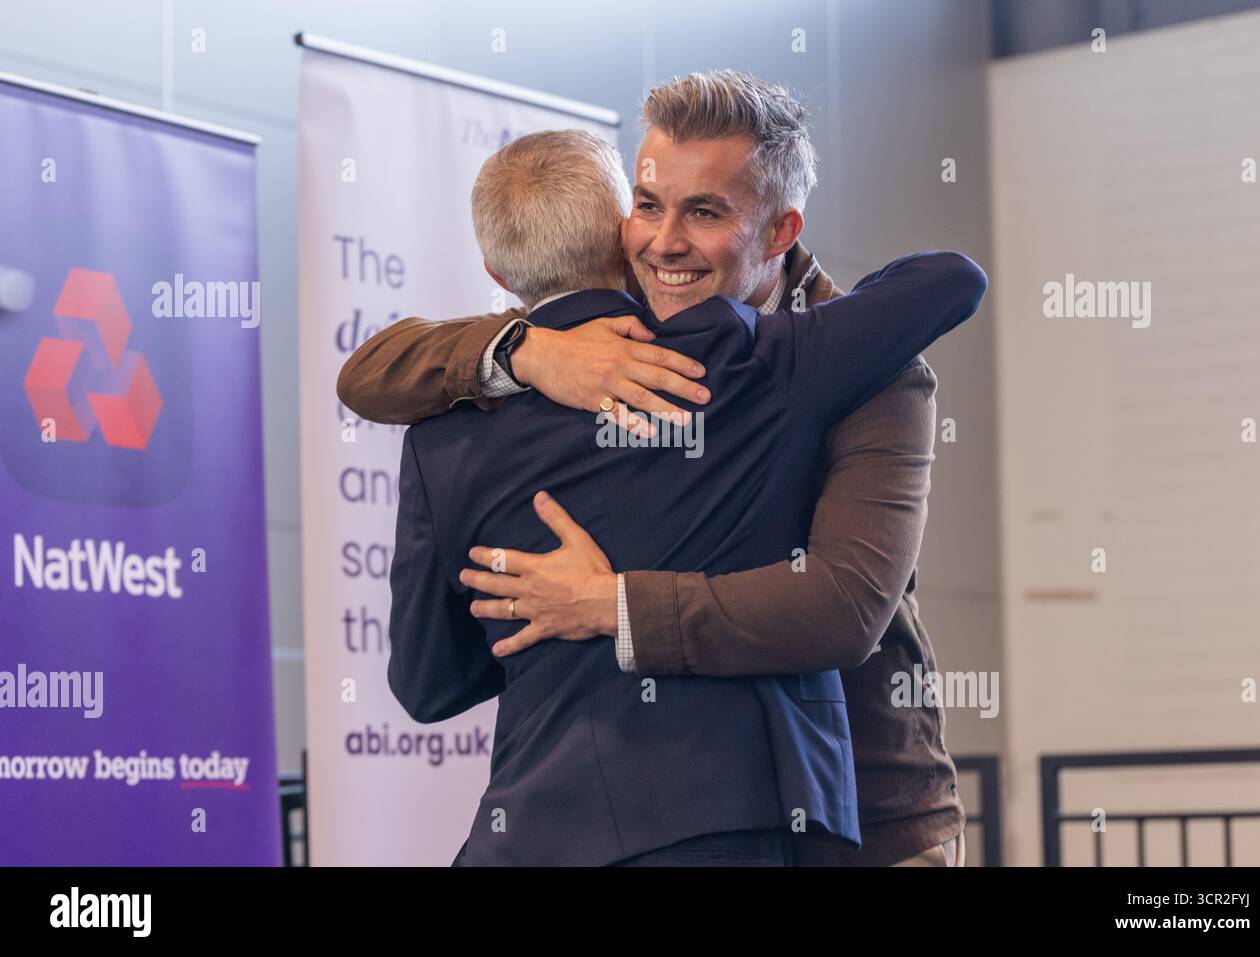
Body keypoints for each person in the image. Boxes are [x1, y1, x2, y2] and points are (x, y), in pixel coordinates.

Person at [342, 70, 983, 867]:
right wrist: (527, 348)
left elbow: (840, 607)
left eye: (704, 212)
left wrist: (607, 605)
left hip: (870, 815)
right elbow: (371, 371)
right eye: (647, 207)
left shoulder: (855, 364)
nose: (662, 242)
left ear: (781, 231)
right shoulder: (605, 340)